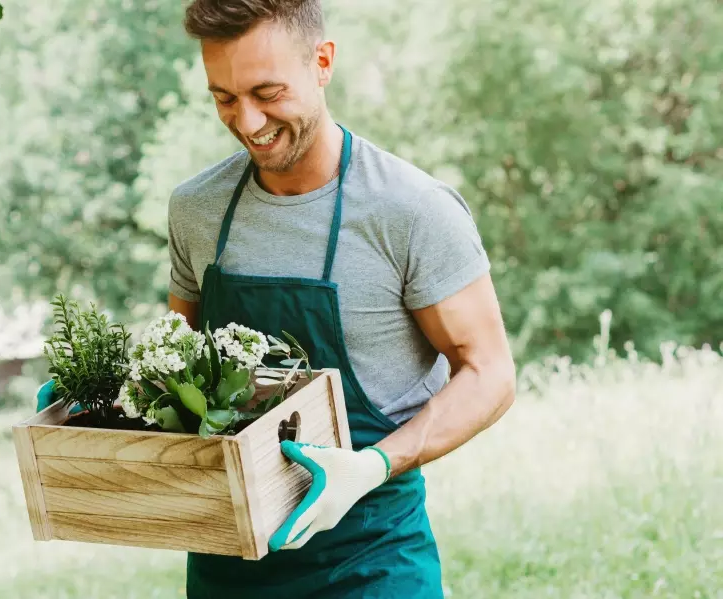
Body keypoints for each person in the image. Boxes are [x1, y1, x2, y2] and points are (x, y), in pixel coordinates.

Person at [41, 0, 516, 596]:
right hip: (227, 562)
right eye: (224, 98)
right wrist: (105, 400)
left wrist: (375, 465)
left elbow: (490, 372)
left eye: (267, 92)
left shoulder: (411, 211)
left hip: (370, 559)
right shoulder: (197, 210)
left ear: (322, 62)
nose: (248, 121)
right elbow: (182, 367)